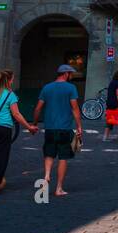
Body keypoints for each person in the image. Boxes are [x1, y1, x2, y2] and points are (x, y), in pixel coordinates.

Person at [0, 69, 37, 195]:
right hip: (3, 128)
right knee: (0, 156)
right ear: (9, 81)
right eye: (12, 79)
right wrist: (29, 126)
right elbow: (16, 114)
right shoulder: (10, 95)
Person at [33, 64, 82, 197]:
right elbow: (75, 108)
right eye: (70, 74)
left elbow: (38, 108)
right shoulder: (71, 88)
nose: (71, 76)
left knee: (49, 154)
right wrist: (79, 126)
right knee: (63, 157)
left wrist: (35, 123)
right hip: (64, 128)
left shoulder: (47, 88)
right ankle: (59, 188)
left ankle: (47, 175)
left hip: (49, 127)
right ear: (66, 74)